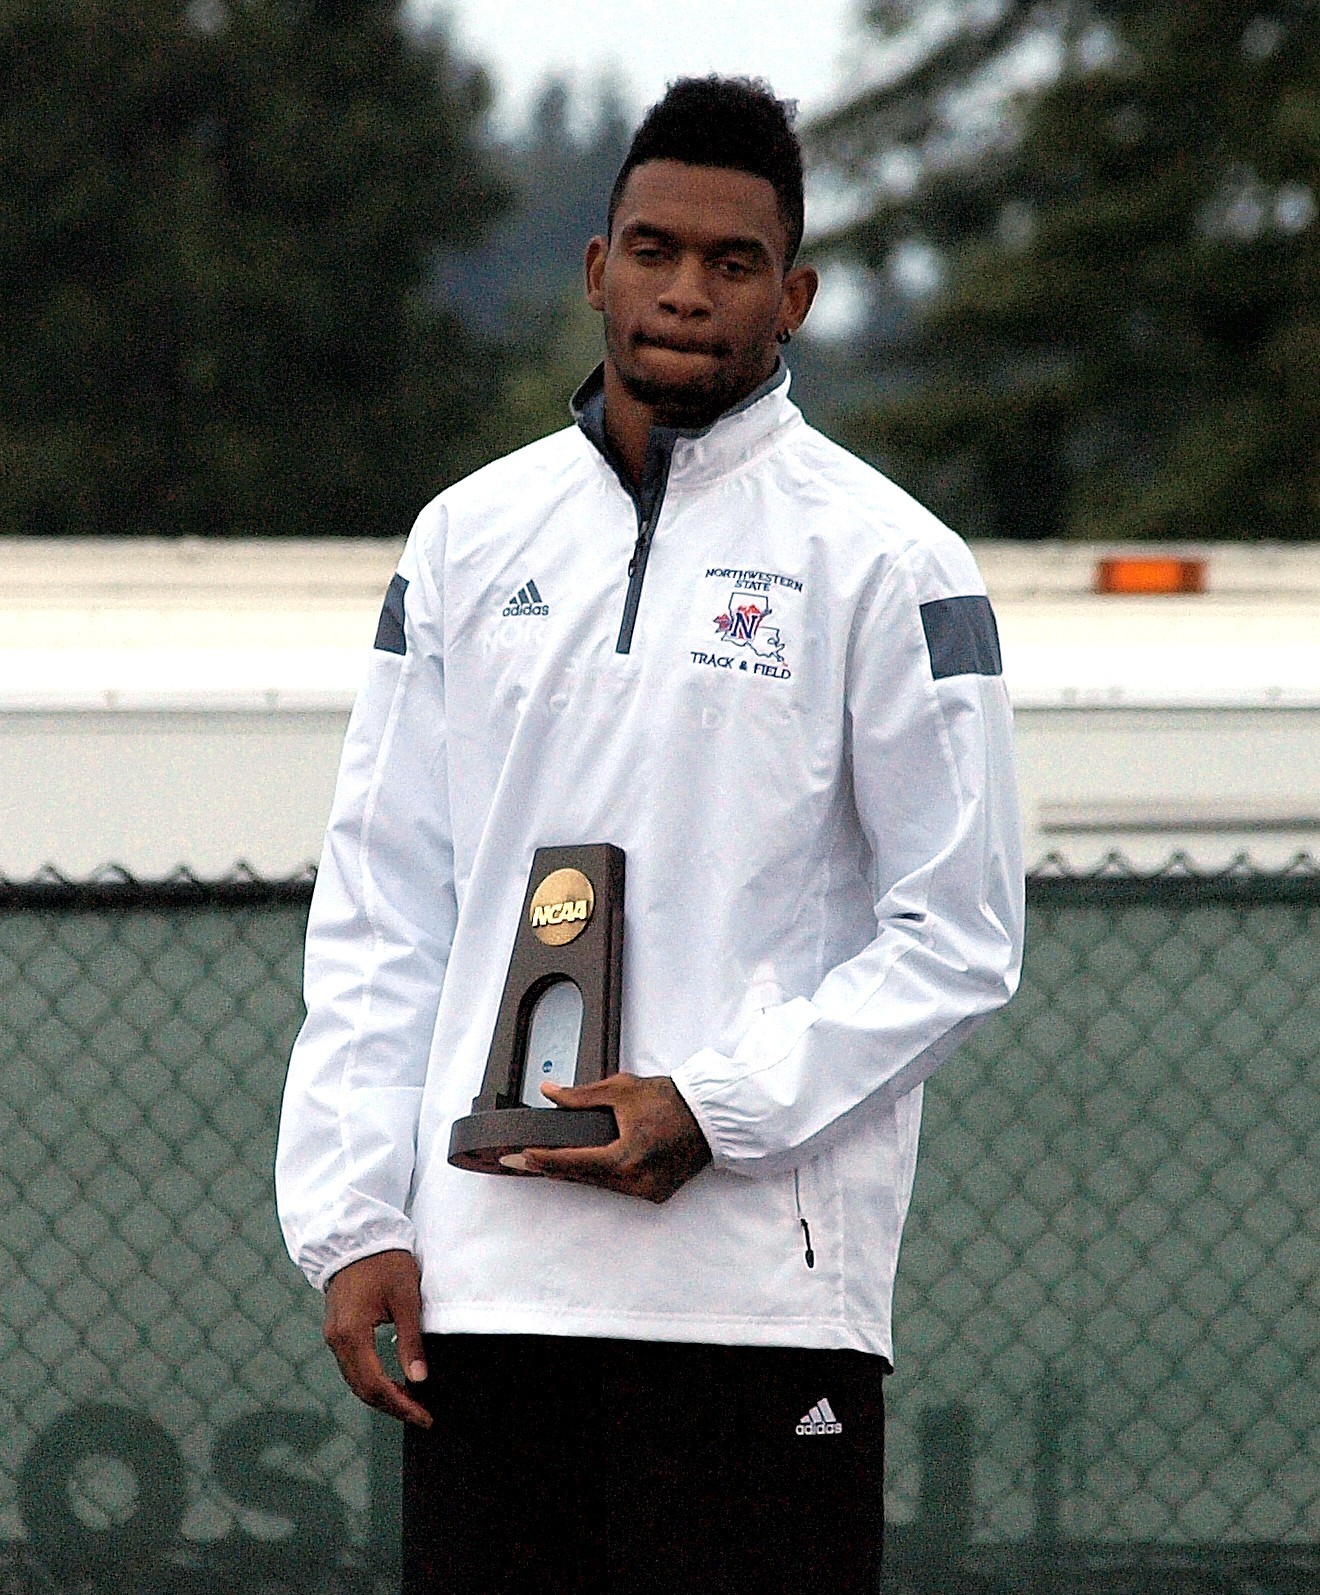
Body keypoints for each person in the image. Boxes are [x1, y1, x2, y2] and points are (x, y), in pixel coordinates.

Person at [276, 75, 1023, 1594]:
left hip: (754, 1303)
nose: (689, 290)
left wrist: (719, 1108)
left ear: (795, 294)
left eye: (734, 262)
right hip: (489, 1301)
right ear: (596, 267)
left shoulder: (890, 562)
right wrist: (353, 1216)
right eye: (656, 248)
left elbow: (959, 938)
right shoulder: (468, 540)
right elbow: (384, 904)